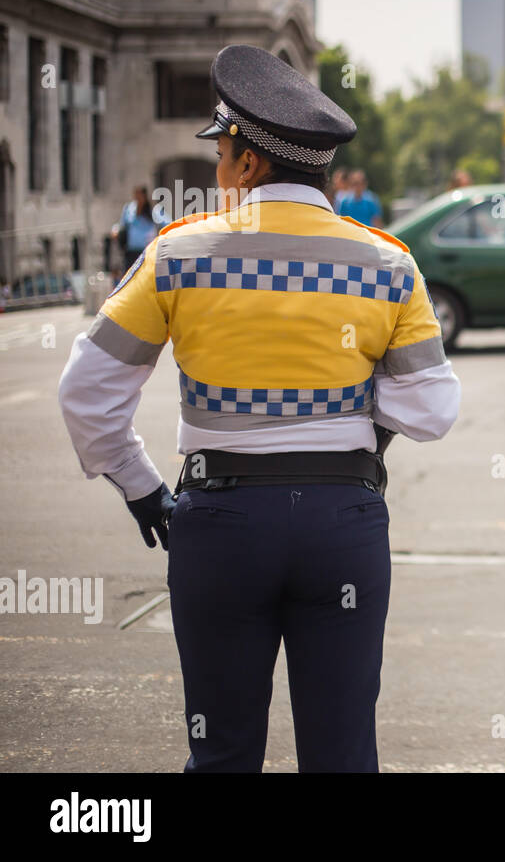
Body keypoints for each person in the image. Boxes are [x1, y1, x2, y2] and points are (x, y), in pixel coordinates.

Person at [57, 44, 461, 772]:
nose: (218, 172)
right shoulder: (388, 264)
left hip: (219, 527)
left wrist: (145, 490)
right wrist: (351, 440)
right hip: (344, 525)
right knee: (342, 757)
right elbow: (431, 407)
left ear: (247, 164)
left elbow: (86, 392)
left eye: (222, 155)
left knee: (221, 755)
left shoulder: (178, 256)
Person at [114, 186, 164, 272]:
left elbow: (166, 223)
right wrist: (115, 231)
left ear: (144, 196)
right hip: (131, 252)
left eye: (140, 195)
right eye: (136, 194)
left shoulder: (153, 211)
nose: (137, 197)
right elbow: (122, 224)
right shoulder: (129, 209)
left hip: (147, 251)